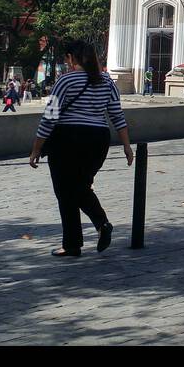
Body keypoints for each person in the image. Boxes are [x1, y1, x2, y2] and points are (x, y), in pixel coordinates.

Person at [28, 39, 133, 257]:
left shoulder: (66, 81)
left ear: (71, 58)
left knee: (66, 190)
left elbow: (50, 116)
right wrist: (126, 145)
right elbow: (116, 114)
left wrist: (37, 147)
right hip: (98, 140)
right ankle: (80, 238)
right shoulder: (107, 81)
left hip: (68, 139)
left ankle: (91, 229)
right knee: (79, 186)